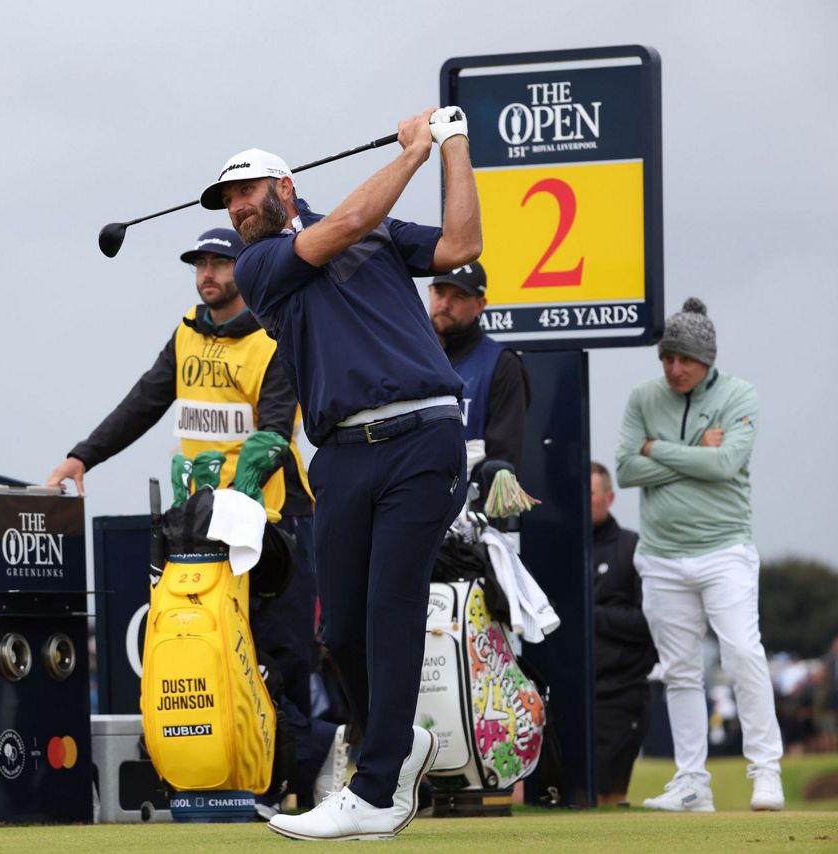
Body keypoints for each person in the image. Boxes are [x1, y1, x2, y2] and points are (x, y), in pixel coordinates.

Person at [201, 105, 480, 840]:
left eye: (244, 192)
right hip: (345, 454)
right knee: (343, 628)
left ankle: (379, 784)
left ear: (285, 187)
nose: (235, 209)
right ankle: (398, 743)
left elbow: (462, 242)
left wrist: (454, 144)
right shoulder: (262, 266)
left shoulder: (377, 230)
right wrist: (413, 152)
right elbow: (348, 222)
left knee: (389, 605)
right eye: (227, 203)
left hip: (424, 436)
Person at [45, 227, 344, 813]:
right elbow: (144, 400)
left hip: (274, 523)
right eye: (200, 264)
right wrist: (84, 454)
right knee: (220, 656)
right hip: (204, 530)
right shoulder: (187, 331)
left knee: (279, 660)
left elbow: (276, 432)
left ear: (246, 269)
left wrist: (241, 499)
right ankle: (238, 784)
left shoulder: (271, 335)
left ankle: (297, 788)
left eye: (219, 263)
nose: (207, 274)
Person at [615, 297, 784, 812]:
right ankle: (692, 783)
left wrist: (656, 449)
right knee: (680, 670)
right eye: (667, 358)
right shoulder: (644, 396)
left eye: (685, 359)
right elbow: (624, 469)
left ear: (707, 358)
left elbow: (726, 465)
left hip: (723, 550)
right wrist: (692, 450)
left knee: (742, 654)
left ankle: (766, 771)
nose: (674, 369)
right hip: (662, 555)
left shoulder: (739, 394)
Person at [588, 461, 656, 805]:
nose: (583, 502)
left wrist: (590, 616)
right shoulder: (557, 552)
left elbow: (651, 622)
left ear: (609, 497)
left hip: (620, 695)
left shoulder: (633, 549)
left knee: (605, 798)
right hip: (566, 699)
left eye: (591, 494)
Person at [426, 262, 530, 477]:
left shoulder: (502, 364)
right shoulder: (407, 357)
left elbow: (503, 457)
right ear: (429, 292)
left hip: (472, 503)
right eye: (440, 292)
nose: (445, 304)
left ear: (480, 305)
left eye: (458, 297)